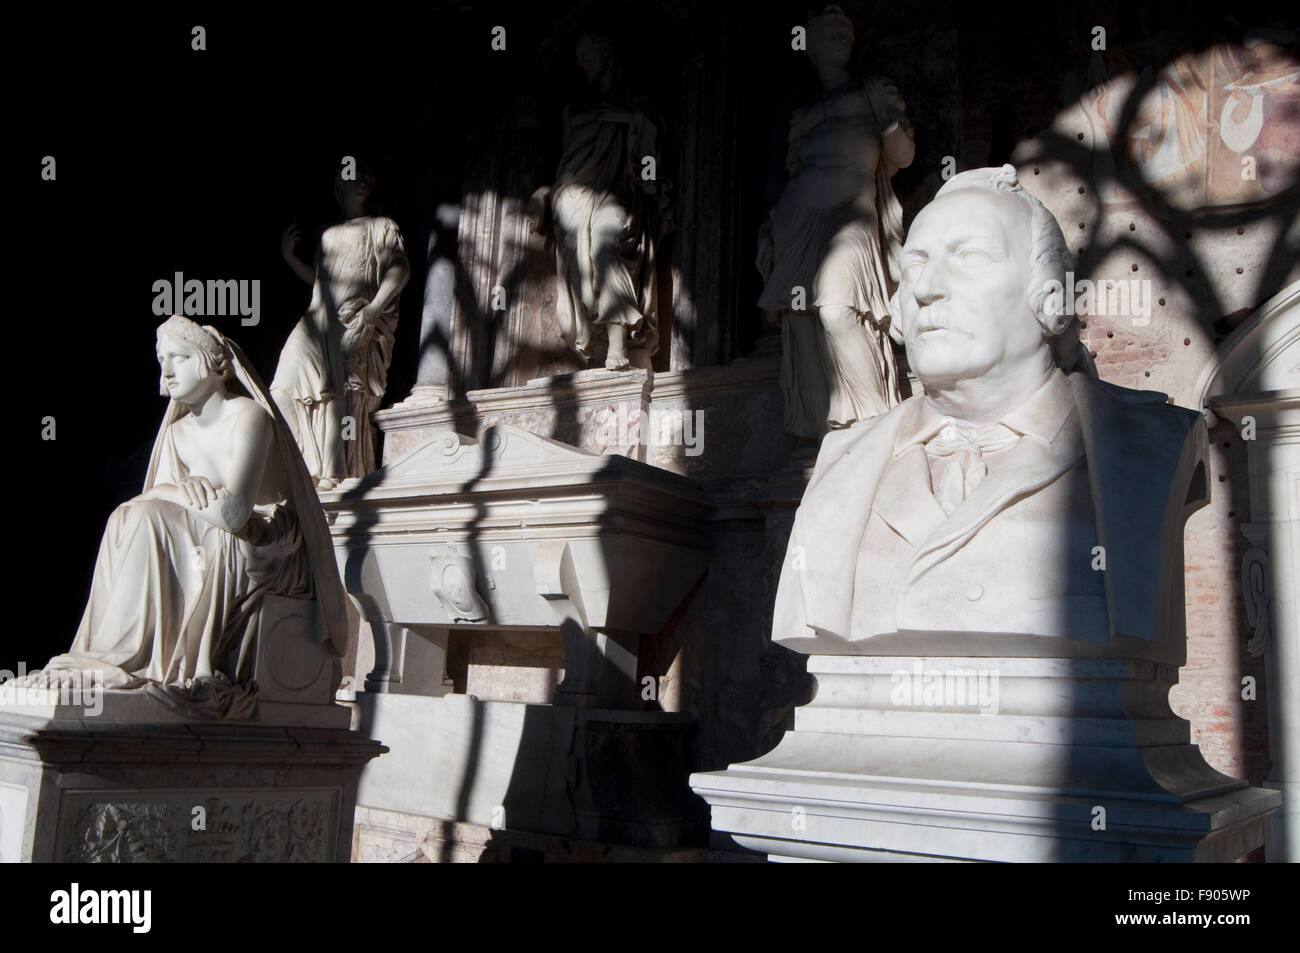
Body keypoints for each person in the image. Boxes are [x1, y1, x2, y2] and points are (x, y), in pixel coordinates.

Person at [772, 165, 1206, 652]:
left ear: (1050, 296)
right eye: (914, 265)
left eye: (969, 256)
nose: (925, 288)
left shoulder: (1150, 444)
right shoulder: (843, 460)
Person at [20, 316, 347, 714]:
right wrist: (171, 491)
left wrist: (175, 496)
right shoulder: (177, 434)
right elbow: (159, 502)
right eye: (162, 360)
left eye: (179, 357)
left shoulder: (248, 416)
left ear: (214, 364)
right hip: (212, 528)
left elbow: (233, 512)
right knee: (125, 517)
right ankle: (111, 653)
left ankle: (127, 657)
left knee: (146, 519)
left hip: (265, 539)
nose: (168, 370)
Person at [757, 5, 915, 445]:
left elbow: (901, 157)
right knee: (801, 321)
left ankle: (874, 428)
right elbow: (792, 173)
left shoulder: (872, 92)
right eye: (829, 33)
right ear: (808, 45)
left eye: (845, 32)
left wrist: (889, 123)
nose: (841, 38)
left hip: (853, 212)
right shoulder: (802, 115)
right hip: (798, 219)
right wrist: (770, 230)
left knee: (837, 308)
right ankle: (822, 432)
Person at [273, 165, 409, 487]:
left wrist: (372, 313)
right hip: (315, 321)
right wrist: (290, 258)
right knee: (282, 390)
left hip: (352, 318)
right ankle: (303, 465)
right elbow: (321, 281)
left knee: (339, 395)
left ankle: (330, 476)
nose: (361, 180)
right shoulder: (328, 233)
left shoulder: (382, 225)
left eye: (366, 176)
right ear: (339, 187)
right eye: (353, 175)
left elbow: (399, 271)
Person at [549, 34, 668, 370]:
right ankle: (599, 338)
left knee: (605, 247)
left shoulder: (638, 107)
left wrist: (630, 121)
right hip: (573, 197)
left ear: (606, 53)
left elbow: (652, 165)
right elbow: (567, 161)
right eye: (579, 57)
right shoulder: (574, 110)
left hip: (617, 195)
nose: (583, 63)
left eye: (587, 54)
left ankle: (618, 343)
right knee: (581, 272)